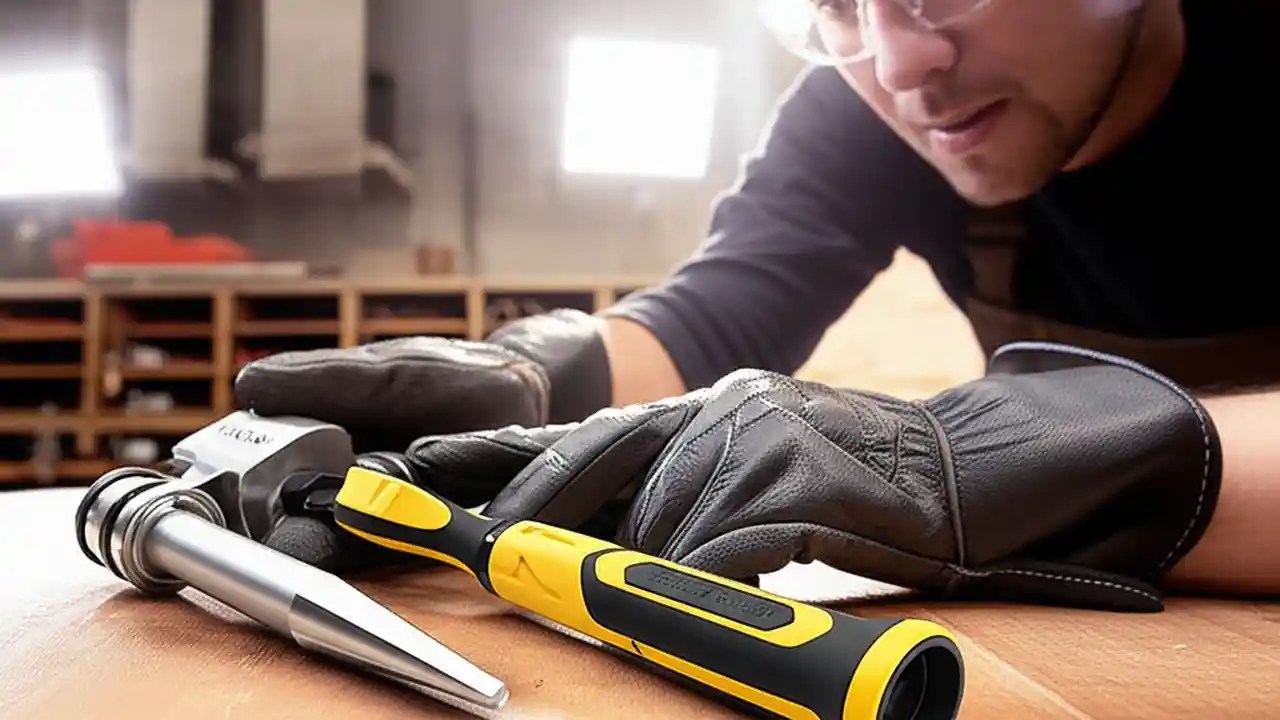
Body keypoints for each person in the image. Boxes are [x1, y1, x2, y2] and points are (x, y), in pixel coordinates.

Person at [235, 0, 1280, 612]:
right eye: (838, 5)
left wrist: (952, 461)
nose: (897, 58)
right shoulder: (880, 103)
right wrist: (535, 382)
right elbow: (715, 317)